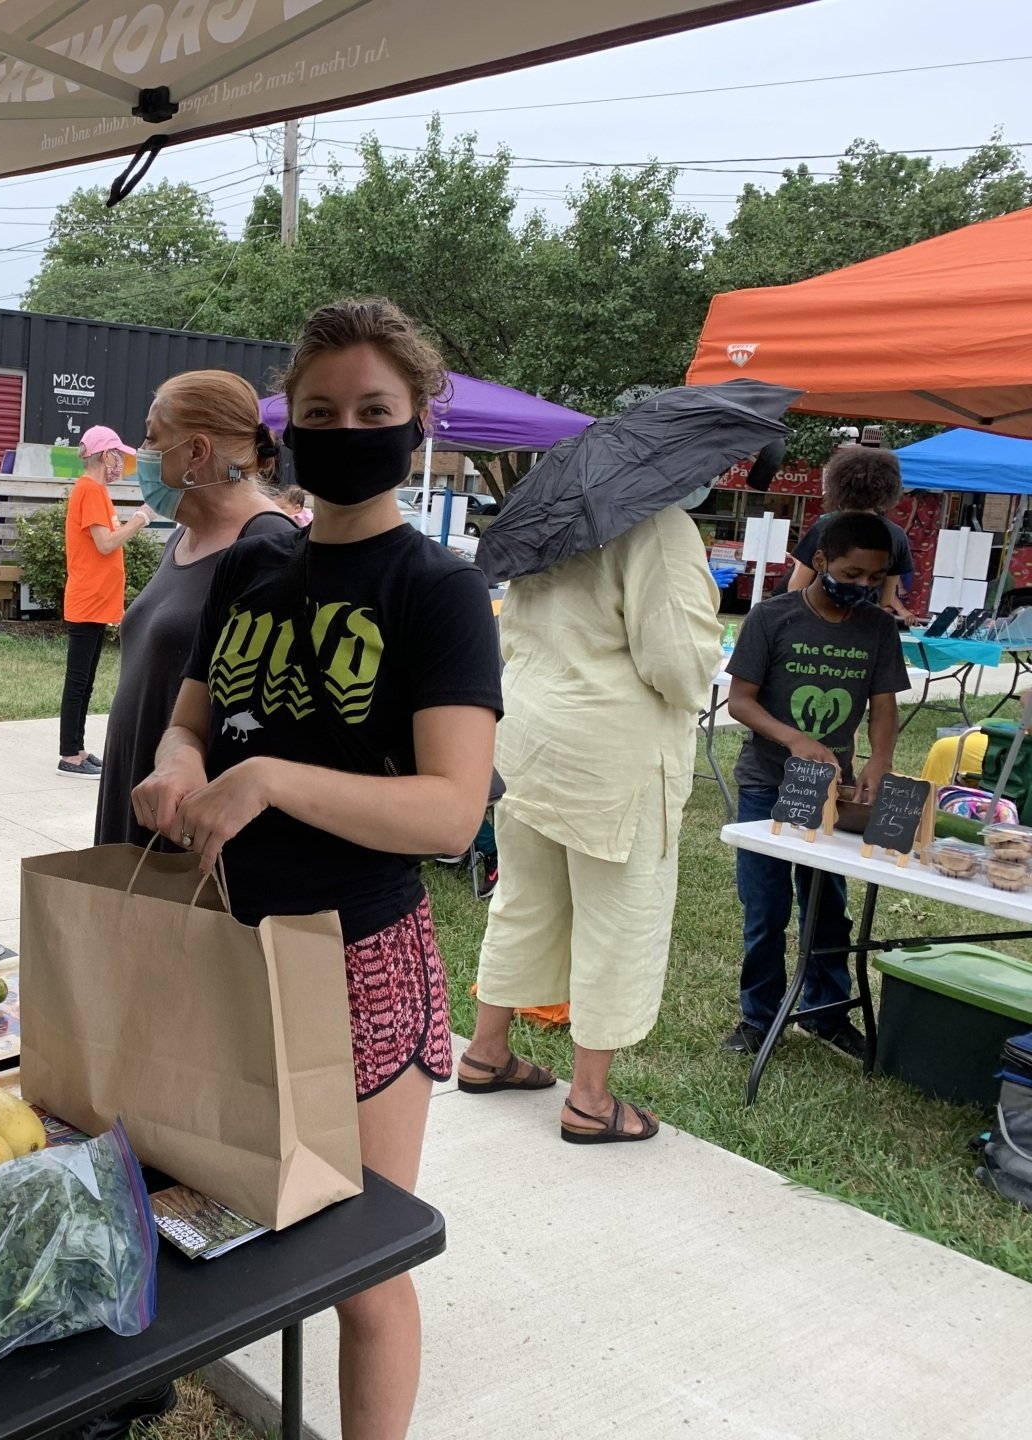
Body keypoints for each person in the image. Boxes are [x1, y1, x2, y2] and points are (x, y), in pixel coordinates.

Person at [133, 299, 501, 1440]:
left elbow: (452, 809)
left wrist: (272, 780)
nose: (348, 431)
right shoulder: (256, 556)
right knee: (206, 1212)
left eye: (375, 410)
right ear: (289, 422)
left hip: (357, 959)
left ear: (419, 419)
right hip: (218, 939)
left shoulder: (437, 589)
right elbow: (190, 720)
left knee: (363, 1266)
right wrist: (178, 765)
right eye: (324, 410)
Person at [468, 486, 724, 1144]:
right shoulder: (658, 523)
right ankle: (588, 1099)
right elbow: (680, 661)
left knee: (523, 899)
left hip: (528, 731)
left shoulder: (551, 508)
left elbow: (511, 626)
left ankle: (486, 1051)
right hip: (610, 749)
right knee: (618, 917)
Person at [723, 510, 908, 1057]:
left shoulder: (877, 628)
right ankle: (759, 1017)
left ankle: (826, 1013)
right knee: (766, 909)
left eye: (875, 578)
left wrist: (879, 760)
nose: (863, 586)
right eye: (851, 574)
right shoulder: (771, 617)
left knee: (827, 908)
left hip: (834, 794)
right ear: (821, 561)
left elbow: (884, 705)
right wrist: (793, 739)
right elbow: (740, 702)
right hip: (767, 785)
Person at [94, 371, 297, 847]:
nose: (142, 452)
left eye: (152, 437)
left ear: (196, 452)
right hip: (142, 781)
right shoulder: (184, 534)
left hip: (190, 812)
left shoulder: (269, 546)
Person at [59, 425, 153, 777]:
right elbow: (106, 543)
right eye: (117, 455)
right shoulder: (89, 490)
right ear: (104, 456)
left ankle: (78, 748)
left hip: (96, 601)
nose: (120, 463)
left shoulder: (96, 491)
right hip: (87, 599)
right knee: (78, 682)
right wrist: (141, 518)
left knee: (86, 682)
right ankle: (69, 754)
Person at [784, 445, 914, 621]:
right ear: (888, 488)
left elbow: (795, 588)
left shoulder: (824, 528)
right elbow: (886, 599)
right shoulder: (897, 535)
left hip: (818, 620)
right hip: (862, 624)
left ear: (839, 484)